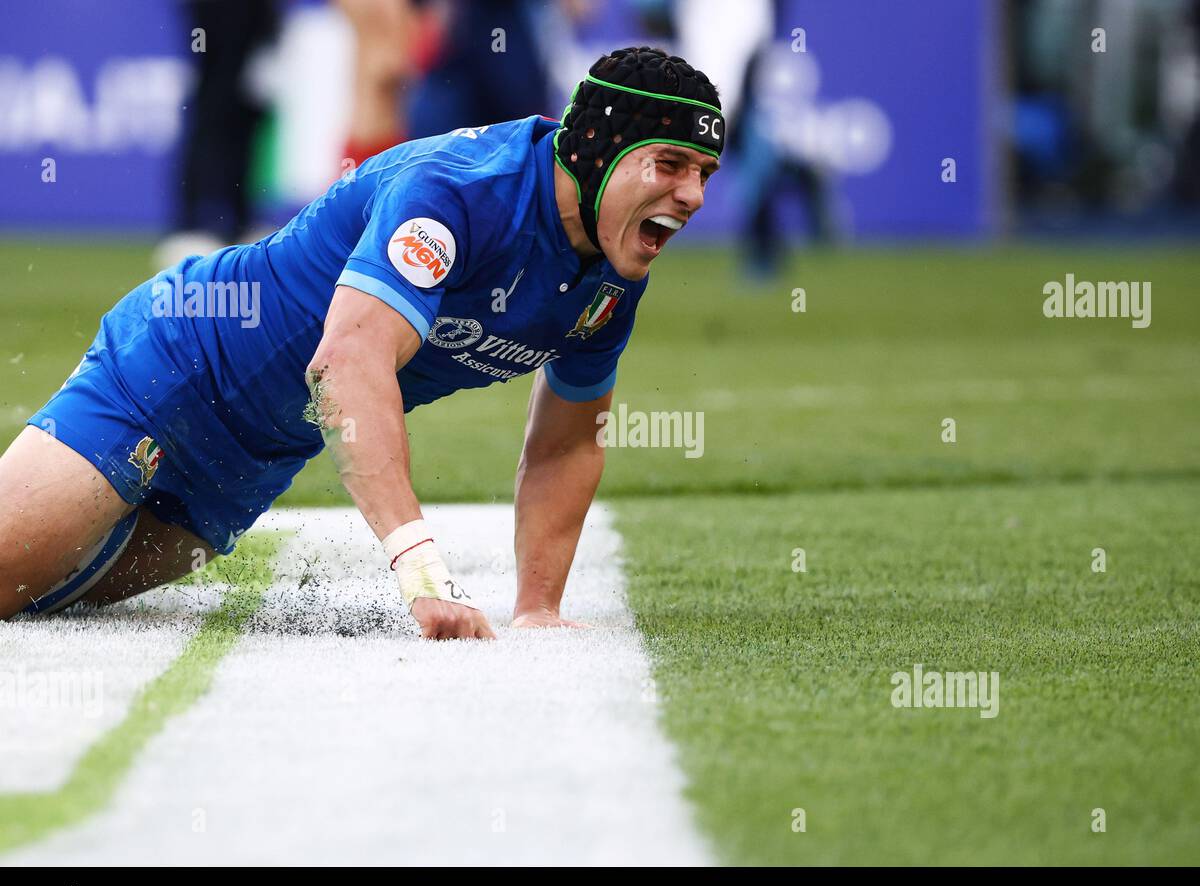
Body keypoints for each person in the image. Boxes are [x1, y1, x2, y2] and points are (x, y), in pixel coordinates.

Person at [0, 47, 724, 639]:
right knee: (6, 579)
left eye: (703, 175)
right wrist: (419, 570)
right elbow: (345, 365)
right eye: (669, 166)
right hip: (171, 370)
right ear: (595, 149)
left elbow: (565, 442)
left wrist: (537, 607)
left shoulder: (615, 271)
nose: (692, 195)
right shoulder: (459, 192)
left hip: (256, 459)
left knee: (52, 597)